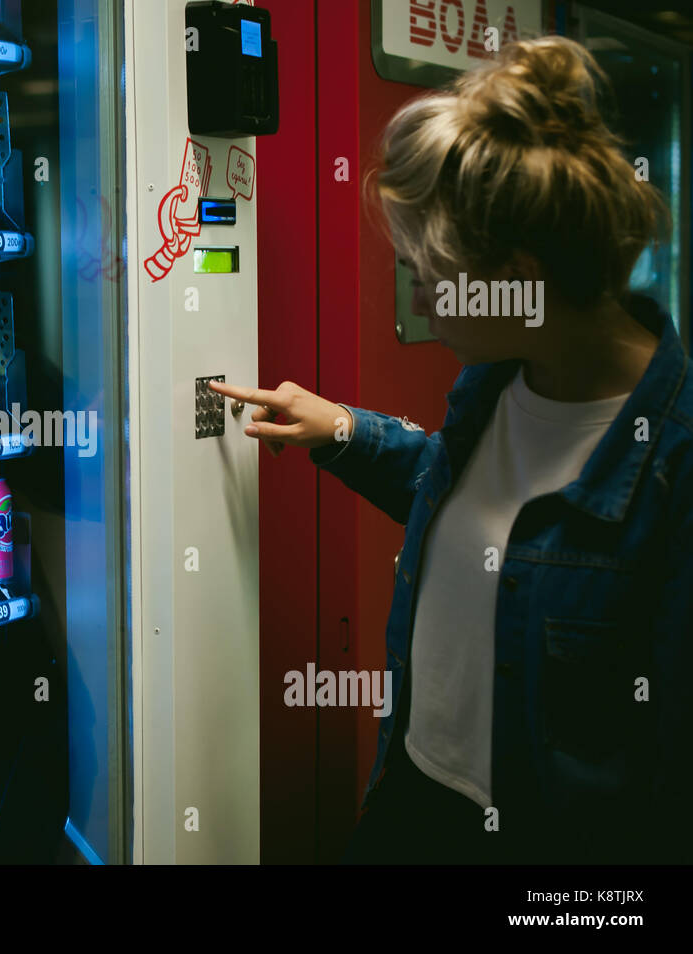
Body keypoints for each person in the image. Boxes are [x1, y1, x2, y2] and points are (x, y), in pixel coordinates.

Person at [212, 35, 691, 864]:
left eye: (427, 273)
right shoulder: (503, 382)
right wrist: (347, 430)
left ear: (517, 275)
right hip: (411, 804)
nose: (421, 299)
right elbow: (476, 508)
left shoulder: (674, 468)